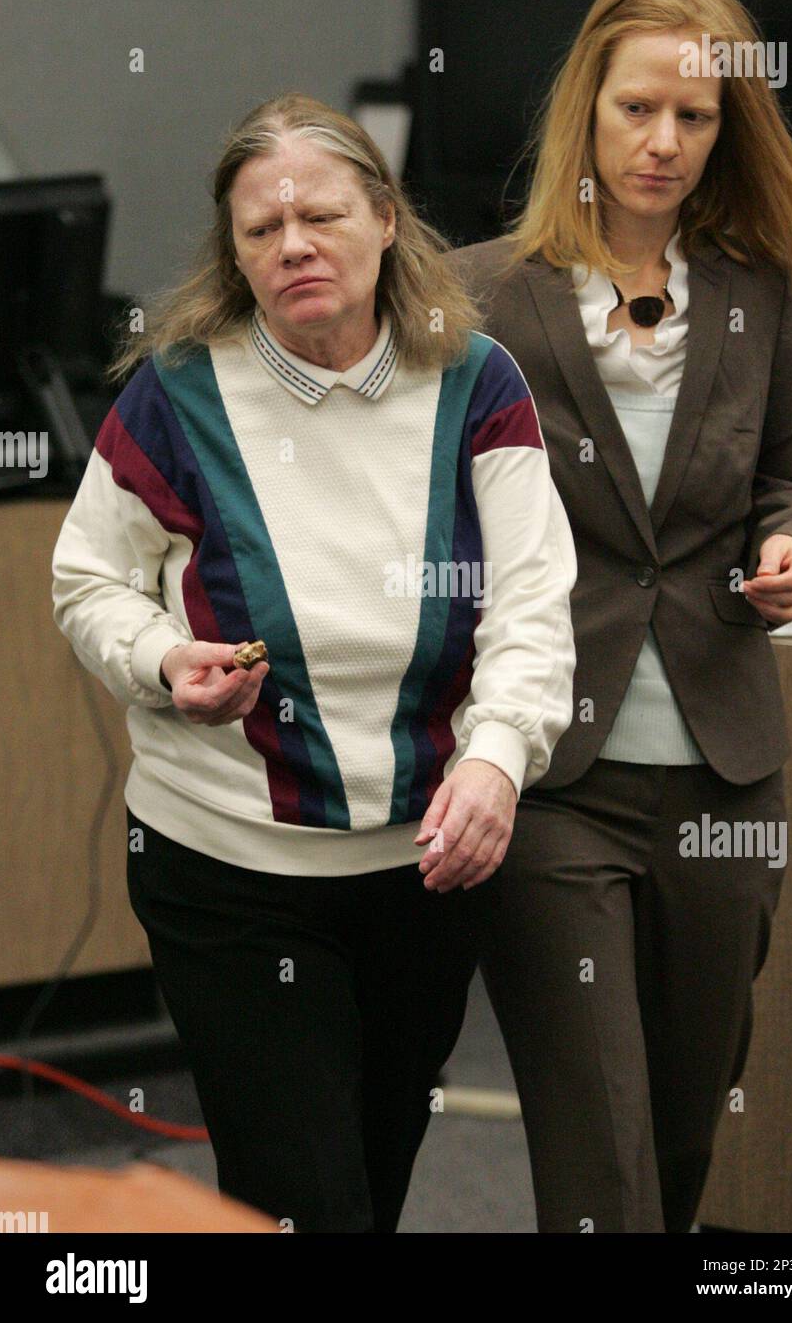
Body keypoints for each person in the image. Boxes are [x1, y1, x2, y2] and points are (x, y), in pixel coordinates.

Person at [51, 91, 577, 1233]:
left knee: (372, 1188)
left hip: (424, 870)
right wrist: (159, 657)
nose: (293, 244)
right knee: (306, 1200)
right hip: (228, 868)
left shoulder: (479, 384)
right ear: (233, 254)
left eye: (323, 215)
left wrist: (497, 758)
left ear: (386, 219)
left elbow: (534, 601)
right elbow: (87, 580)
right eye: (260, 229)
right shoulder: (177, 395)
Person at [450, 0, 792, 1233]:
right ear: (588, 109)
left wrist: (791, 541)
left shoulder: (759, 285)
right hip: (558, 778)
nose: (663, 144)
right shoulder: (486, 294)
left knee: (680, 1143)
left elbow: (782, 472)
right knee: (602, 1152)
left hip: (725, 776)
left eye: (698, 119)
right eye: (637, 111)